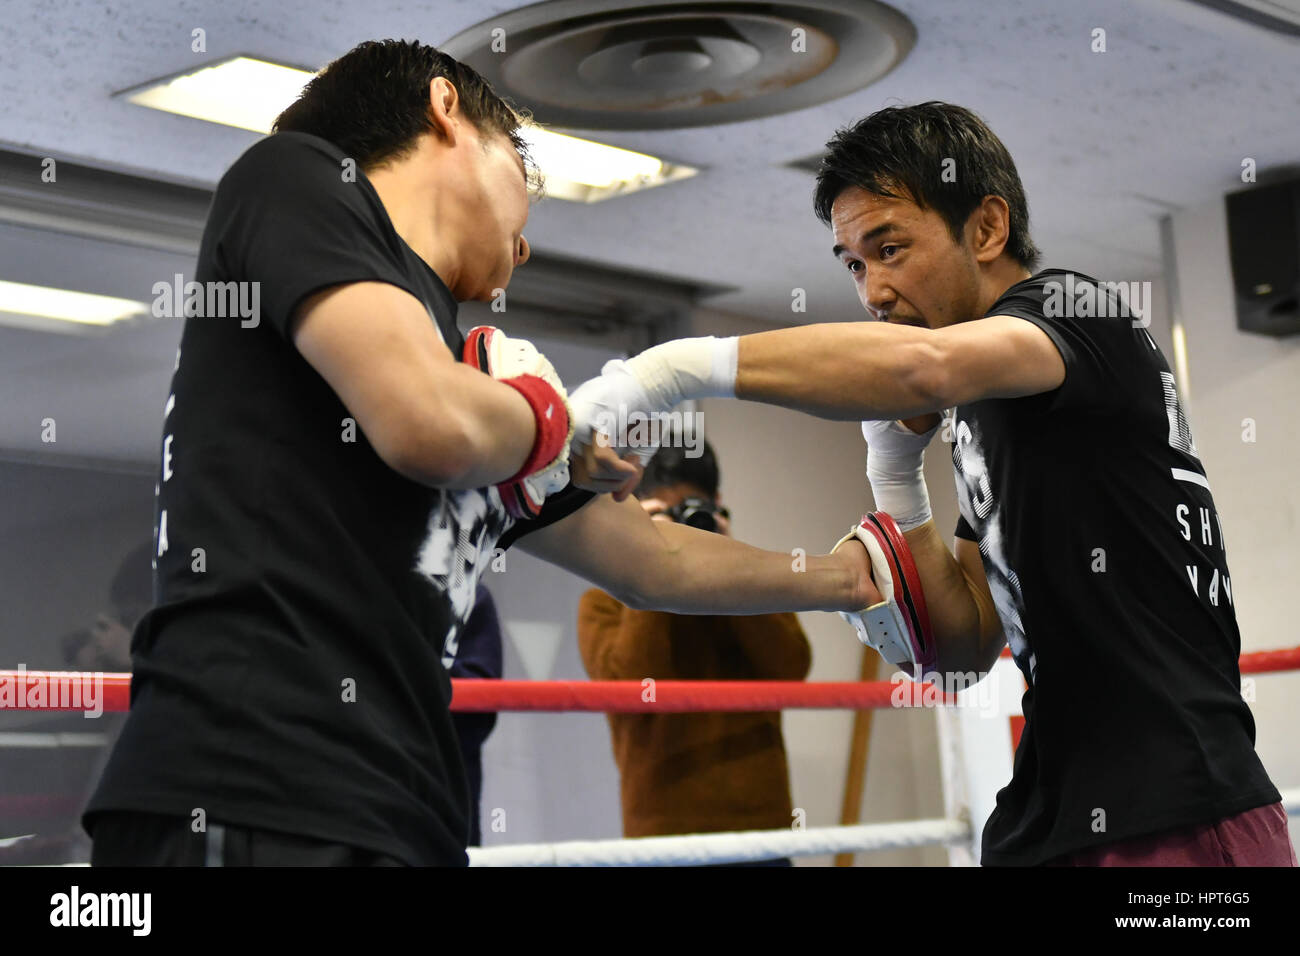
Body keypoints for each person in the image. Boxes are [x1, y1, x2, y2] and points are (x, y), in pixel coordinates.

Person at [82, 40, 879, 867]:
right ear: (445, 109)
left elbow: (655, 563)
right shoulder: (294, 174)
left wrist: (851, 577)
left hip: (401, 813)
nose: (525, 246)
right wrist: (550, 424)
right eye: (522, 178)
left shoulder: (471, 373)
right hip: (247, 793)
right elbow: (432, 427)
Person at [568, 102, 1295, 867]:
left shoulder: (1074, 316)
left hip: (1180, 809)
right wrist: (897, 481)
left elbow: (924, 368)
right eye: (854, 263)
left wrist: (664, 372)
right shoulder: (987, 414)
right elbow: (963, 649)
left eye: (889, 249)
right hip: (1055, 816)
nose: (873, 291)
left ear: (986, 229)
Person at [578, 438, 810, 864]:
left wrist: (729, 563)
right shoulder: (605, 601)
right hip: (664, 839)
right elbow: (633, 689)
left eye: (690, 513)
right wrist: (647, 567)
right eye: (662, 518)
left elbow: (792, 668)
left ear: (716, 505)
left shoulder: (752, 578)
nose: (678, 530)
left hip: (763, 834)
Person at [450, 583, 503, 847]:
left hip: (444, 809)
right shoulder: (349, 593)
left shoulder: (468, 597)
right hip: (349, 810)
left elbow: (476, 712)